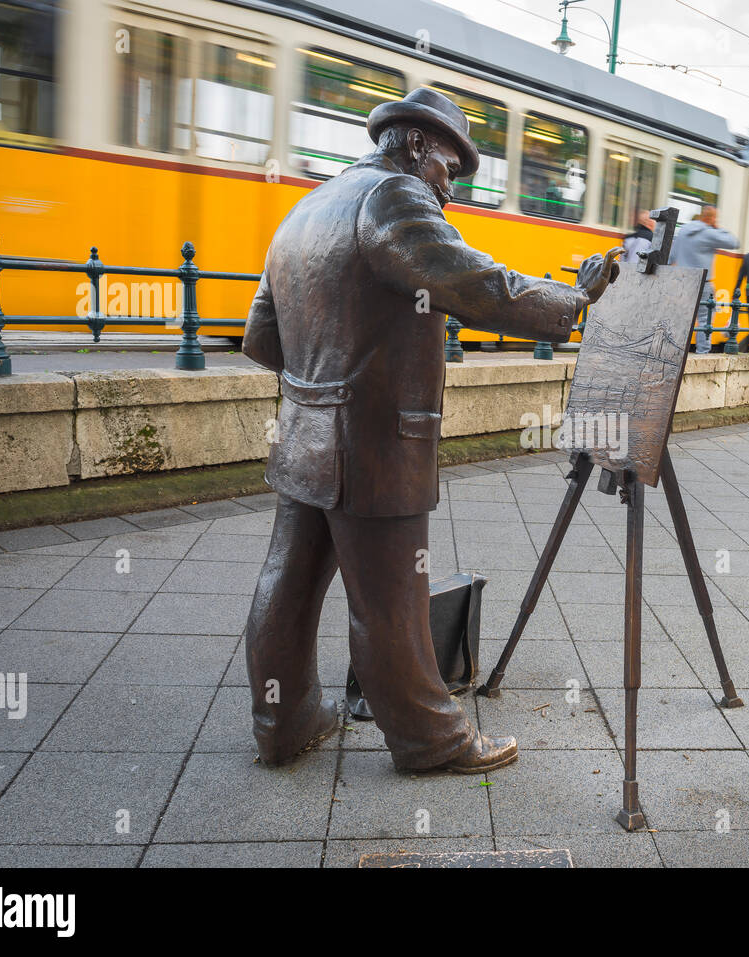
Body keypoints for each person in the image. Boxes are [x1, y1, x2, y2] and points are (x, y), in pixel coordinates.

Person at [241, 87, 621, 773]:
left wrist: (324, 383)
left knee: (286, 580)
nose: (449, 192)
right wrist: (577, 297)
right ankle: (430, 740)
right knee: (390, 598)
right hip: (374, 442)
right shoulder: (392, 197)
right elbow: (481, 285)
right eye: (449, 170)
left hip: (303, 432)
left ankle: (282, 721)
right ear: (416, 145)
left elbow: (264, 337)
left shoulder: (307, 207)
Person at [668, 205, 738, 353]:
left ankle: (675, 352)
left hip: (683, 281)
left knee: (681, 319)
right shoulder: (708, 233)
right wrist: (717, 228)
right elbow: (733, 242)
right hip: (703, 282)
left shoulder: (683, 231)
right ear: (711, 218)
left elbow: (671, 257)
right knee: (705, 320)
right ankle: (702, 353)